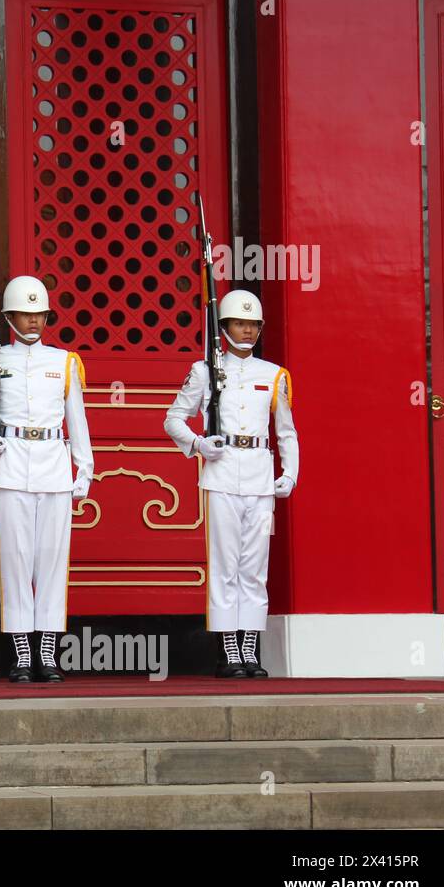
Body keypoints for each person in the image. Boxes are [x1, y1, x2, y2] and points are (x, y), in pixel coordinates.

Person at [0, 276, 93, 683]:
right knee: (15, 563)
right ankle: (21, 652)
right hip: (11, 468)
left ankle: (47, 653)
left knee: (51, 562)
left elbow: (77, 422)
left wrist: (83, 470)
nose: (33, 321)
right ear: (9, 317)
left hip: (54, 468)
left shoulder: (63, 361)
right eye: (25, 314)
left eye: (40, 314)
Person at [164, 290, 299, 678]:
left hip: (259, 476)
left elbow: (286, 432)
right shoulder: (205, 370)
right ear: (223, 328)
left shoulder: (273, 375)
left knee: (254, 567)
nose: (248, 330)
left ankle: (250, 649)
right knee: (225, 565)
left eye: (254, 324)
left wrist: (289, 473)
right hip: (221, 477)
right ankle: (228, 651)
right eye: (240, 323)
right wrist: (198, 444)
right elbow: (173, 418)